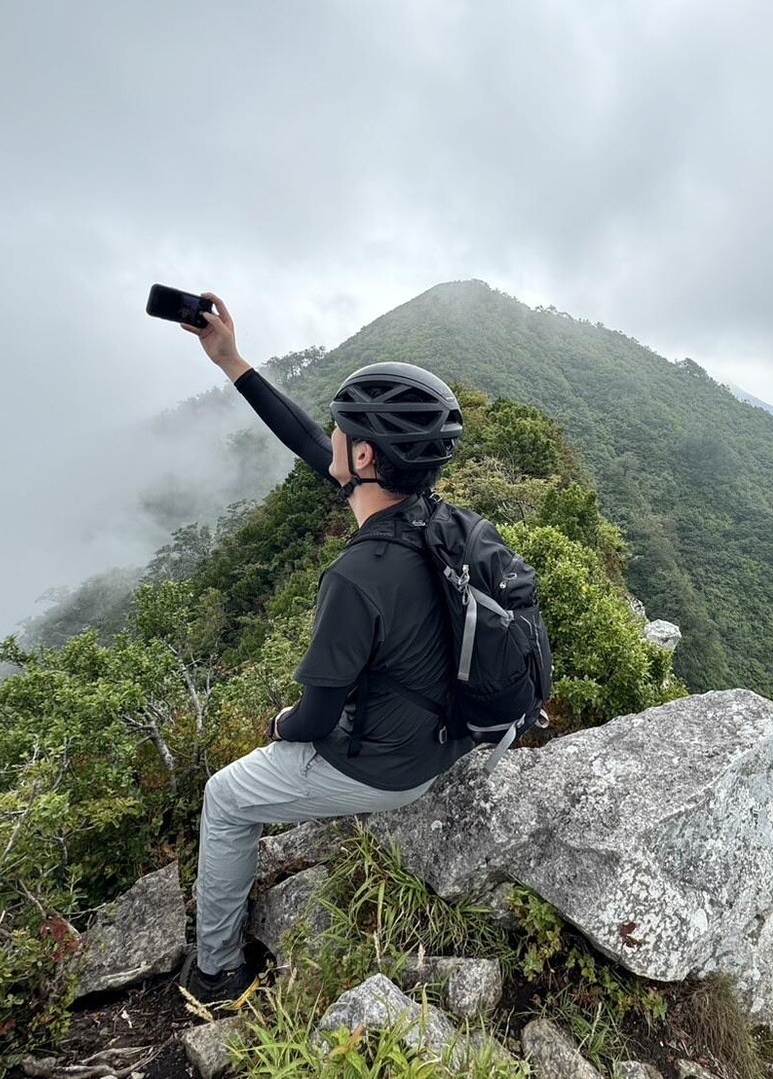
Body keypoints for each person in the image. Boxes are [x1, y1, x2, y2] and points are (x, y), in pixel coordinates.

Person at [176, 293, 472, 1003]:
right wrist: (231, 362)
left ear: (365, 456)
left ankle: (216, 972)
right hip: (449, 734)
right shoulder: (440, 520)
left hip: (395, 767)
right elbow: (309, 444)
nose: (329, 441)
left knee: (226, 796)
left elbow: (312, 721)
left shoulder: (358, 577)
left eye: (343, 433)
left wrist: (278, 724)